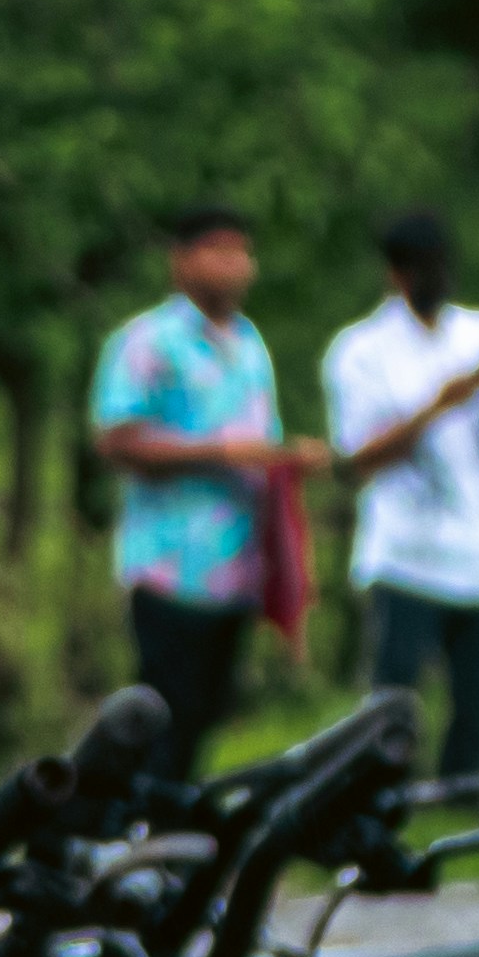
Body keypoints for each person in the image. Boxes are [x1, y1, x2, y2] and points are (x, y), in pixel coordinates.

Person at [91, 204, 327, 785]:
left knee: (203, 719)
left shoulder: (249, 344)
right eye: (219, 251)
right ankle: (133, 838)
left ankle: (171, 848)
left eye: (243, 252)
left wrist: (286, 458)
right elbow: (117, 439)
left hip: (238, 568)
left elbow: (259, 444)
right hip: (172, 564)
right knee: (161, 716)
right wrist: (220, 452)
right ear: (182, 261)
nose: (235, 265)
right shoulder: (148, 341)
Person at [324, 208, 479, 781]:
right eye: (423, 269)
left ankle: (462, 809)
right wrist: (443, 403)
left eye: (443, 266)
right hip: (406, 556)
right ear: (397, 275)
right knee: (394, 702)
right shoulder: (361, 350)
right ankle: (379, 801)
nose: (437, 278)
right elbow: (354, 461)